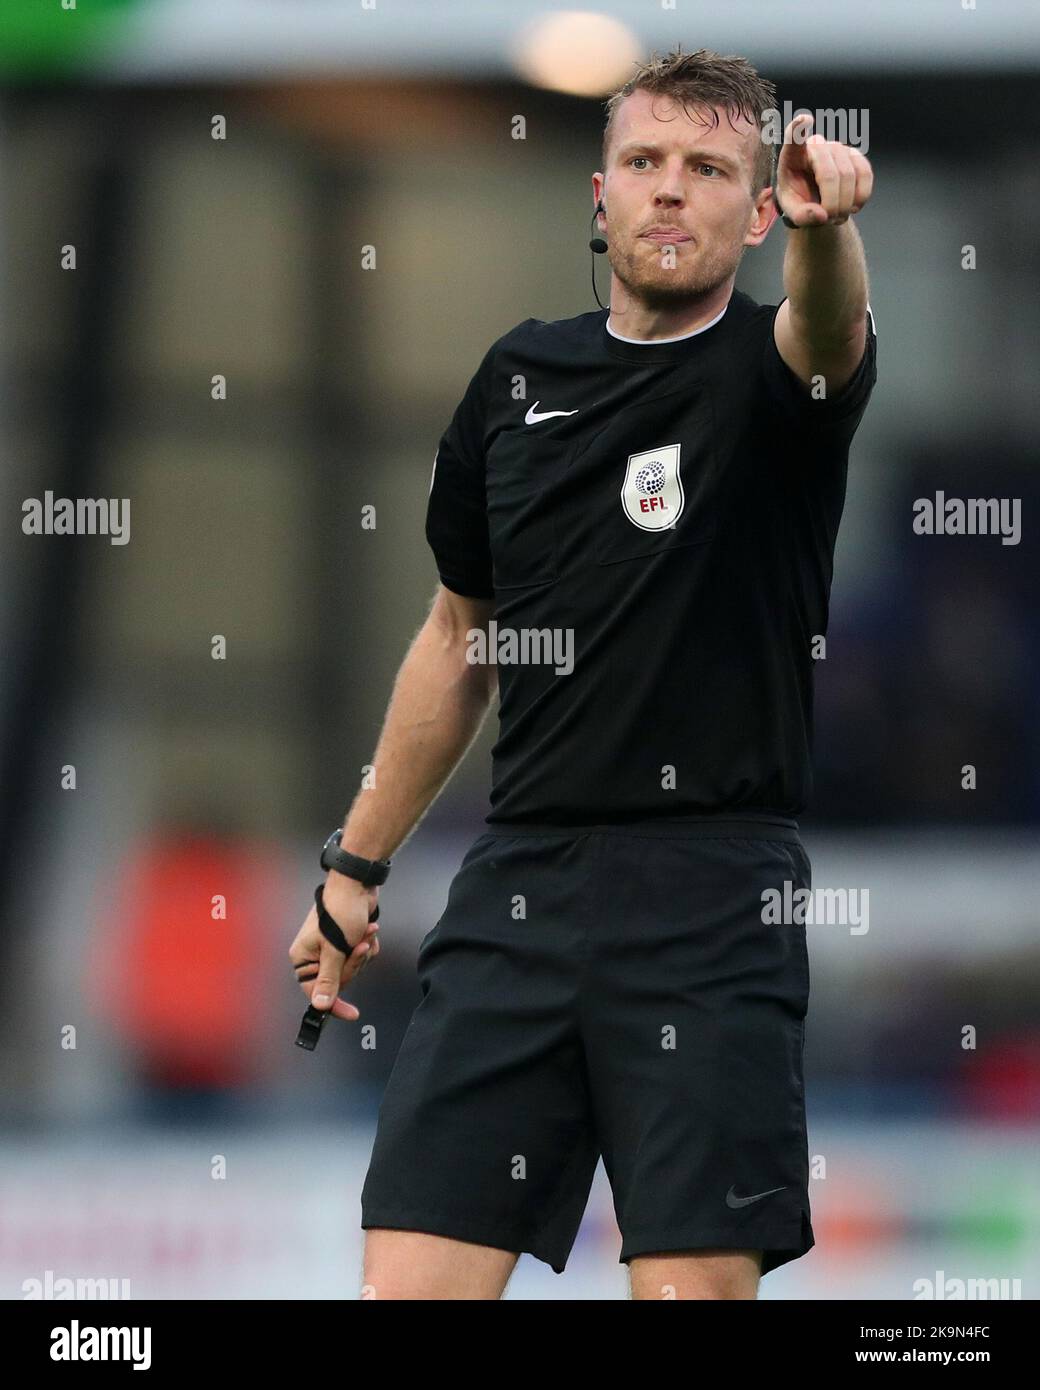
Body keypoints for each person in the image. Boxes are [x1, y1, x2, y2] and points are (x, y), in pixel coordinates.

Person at [288, 46, 877, 1300]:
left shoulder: (775, 377)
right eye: (643, 161)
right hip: (519, 887)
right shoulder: (515, 381)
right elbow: (459, 636)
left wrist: (827, 234)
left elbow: (826, 329)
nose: (668, 187)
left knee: (684, 1292)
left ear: (757, 212)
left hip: (710, 897)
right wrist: (352, 868)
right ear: (599, 196)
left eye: (707, 168)